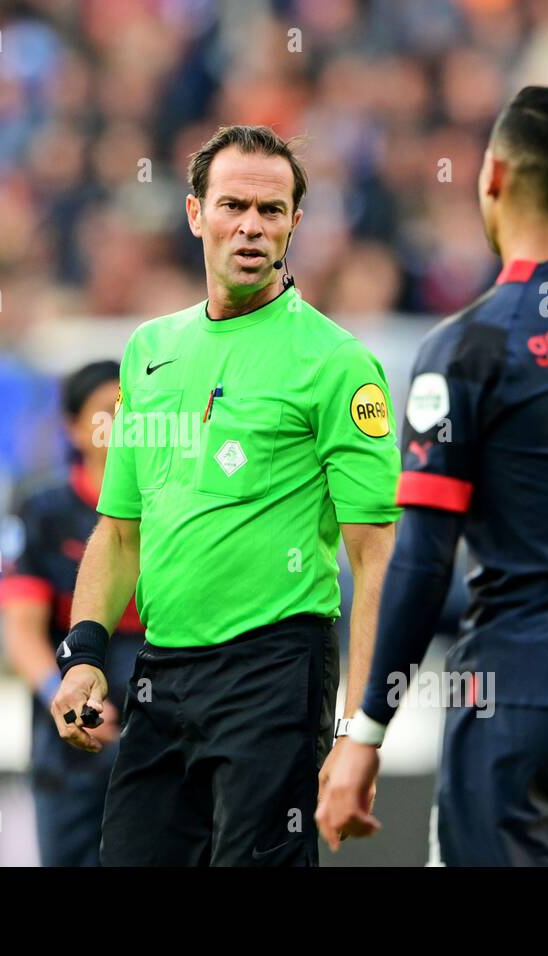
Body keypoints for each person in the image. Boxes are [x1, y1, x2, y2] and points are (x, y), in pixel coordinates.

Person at [317, 87, 548, 866]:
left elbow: (422, 562)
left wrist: (366, 730)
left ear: (490, 176)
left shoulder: (469, 347)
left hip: (526, 698)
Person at [49, 125, 402, 866]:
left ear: (295, 224)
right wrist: (83, 653)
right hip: (160, 670)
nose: (250, 226)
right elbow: (118, 533)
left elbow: (377, 562)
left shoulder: (338, 364)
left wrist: (357, 734)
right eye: (233, 205)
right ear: (194, 213)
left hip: (276, 668)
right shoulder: (149, 351)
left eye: (271, 211)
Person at [0, 360, 145, 866]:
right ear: (72, 428)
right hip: (70, 736)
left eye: (131, 411)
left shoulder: (175, 505)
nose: (121, 424)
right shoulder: (42, 511)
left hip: (160, 724)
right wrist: (62, 699)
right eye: (107, 413)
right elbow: (21, 630)